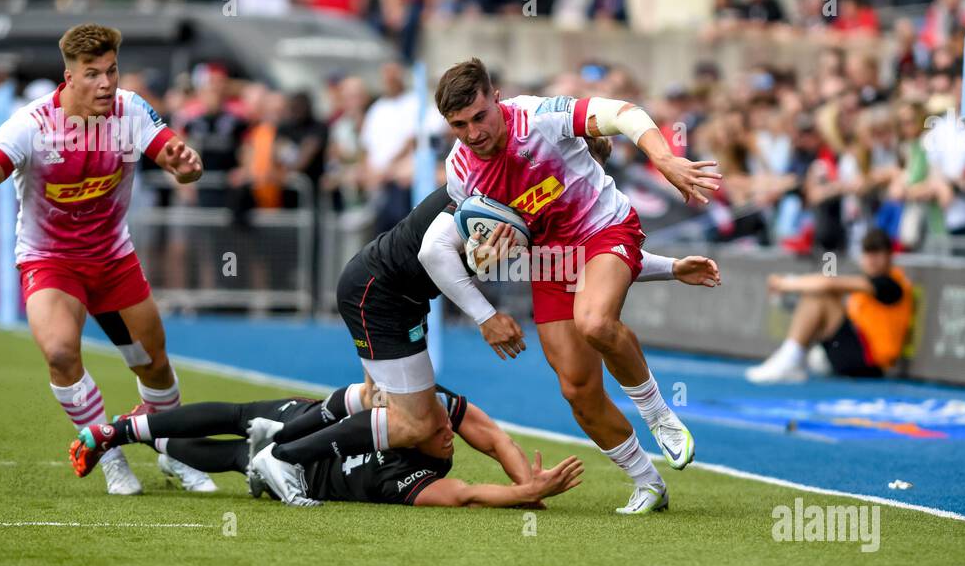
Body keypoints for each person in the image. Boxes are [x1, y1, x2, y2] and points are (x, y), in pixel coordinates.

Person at [236, 182, 720, 512]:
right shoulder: (496, 190)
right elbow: (432, 251)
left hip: (399, 299)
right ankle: (284, 458)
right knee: (416, 422)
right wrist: (487, 317)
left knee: (377, 401)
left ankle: (273, 439)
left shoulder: (543, 208)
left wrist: (670, 268)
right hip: (378, 294)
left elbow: (599, 257)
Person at [422, 58, 724, 514]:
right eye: (459, 125)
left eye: (479, 117)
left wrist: (663, 159)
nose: (472, 133)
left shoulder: (538, 117)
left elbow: (624, 113)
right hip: (550, 261)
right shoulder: (461, 171)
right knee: (576, 391)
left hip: (604, 228)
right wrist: (492, 251)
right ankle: (647, 483)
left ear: (497, 100)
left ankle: (659, 416)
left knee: (595, 322)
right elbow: (487, 253)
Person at [0, 23, 216, 496]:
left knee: (153, 366)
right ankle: (109, 455)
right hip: (51, 263)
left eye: (112, 71)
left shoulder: (130, 110)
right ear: (68, 77)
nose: (106, 84)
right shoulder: (31, 125)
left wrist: (188, 167)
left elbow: (178, 161)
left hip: (114, 261)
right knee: (60, 351)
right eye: (93, 74)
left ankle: (175, 452)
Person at [69, 382, 583, 509]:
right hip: (312, 418)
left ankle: (153, 442)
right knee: (239, 417)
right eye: (438, 428)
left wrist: (526, 489)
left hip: (305, 478)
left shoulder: (412, 479)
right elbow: (492, 441)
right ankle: (122, 430)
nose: (449, 430)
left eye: (444, 434)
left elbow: (470, 484)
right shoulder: (422, 407)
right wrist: (525, 486)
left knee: (233, 455)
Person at [747, 228, 914, 383]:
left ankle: (792, 357)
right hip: (857, 352)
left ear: (890, 255)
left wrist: (786, 283)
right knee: (816, 295)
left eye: (877, 253)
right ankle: (797, 356)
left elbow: (828, 283)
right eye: (868, 253)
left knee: (821, 296)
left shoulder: (891, 285)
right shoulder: (865, 281)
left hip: (870, 364)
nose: (872, 260)